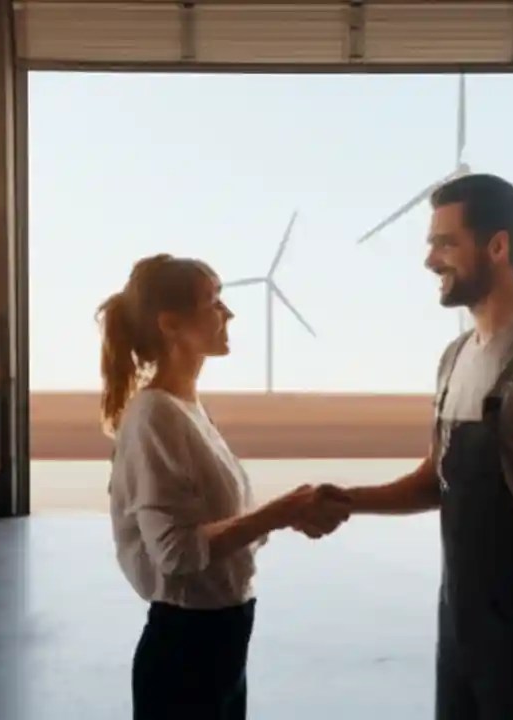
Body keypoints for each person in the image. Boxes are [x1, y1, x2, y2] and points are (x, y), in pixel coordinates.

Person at [336, 174, 513, 719]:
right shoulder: (454, 357)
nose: (429, 261)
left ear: (498, 246)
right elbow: (435, 479)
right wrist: (343, 500)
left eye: (445, 243)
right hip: (460, 632)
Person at [98, 253, 351, 720]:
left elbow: (224, 528)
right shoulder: (155, 416)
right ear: (171, 324)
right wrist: (281, 510)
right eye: (213, 301)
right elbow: (175, 553)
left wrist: (291, 513)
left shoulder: (187, 409)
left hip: (223, 644)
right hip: (187, 652)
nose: (228, 313)